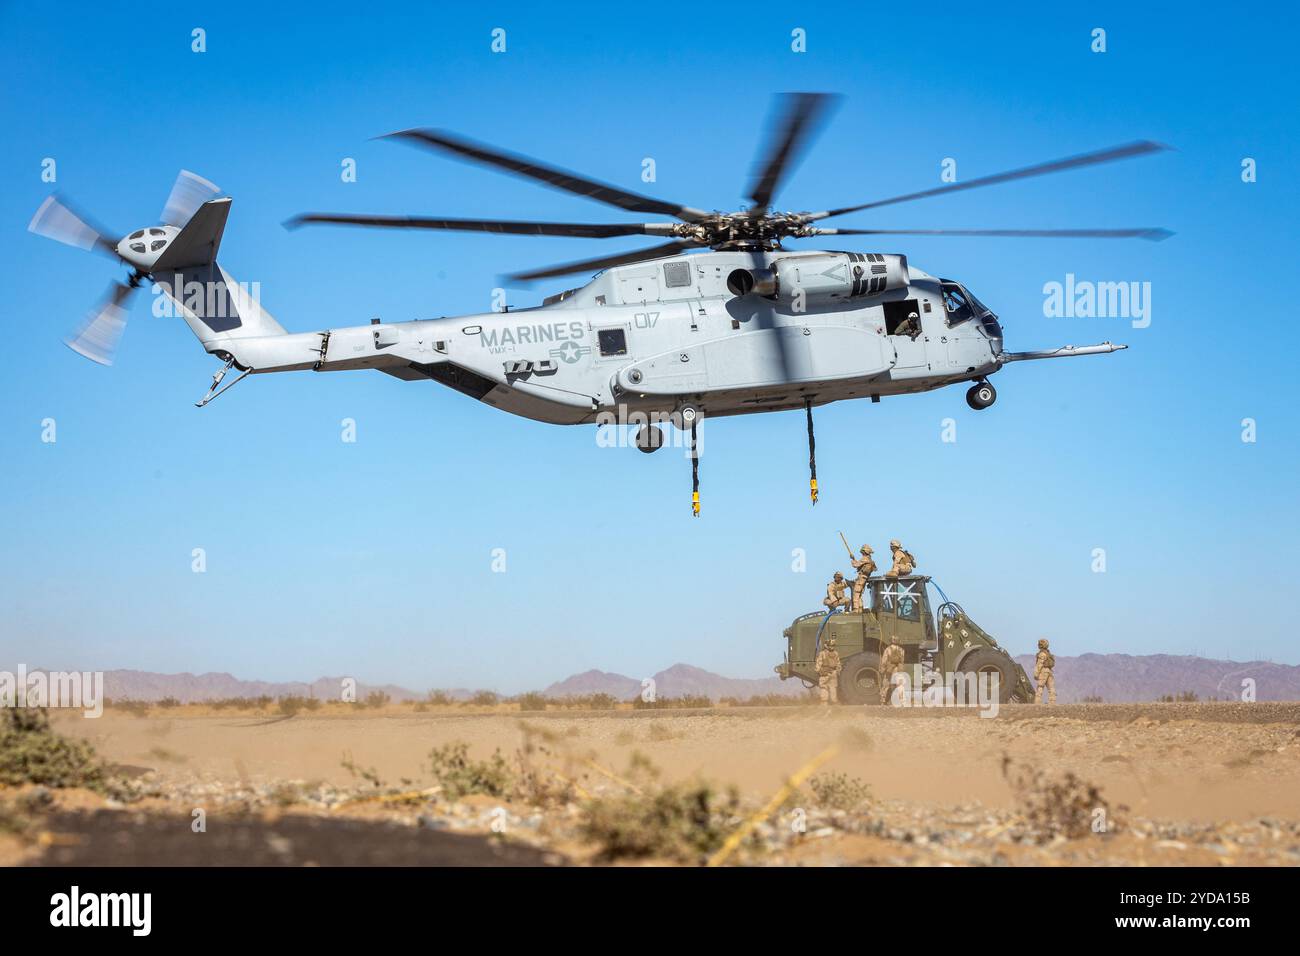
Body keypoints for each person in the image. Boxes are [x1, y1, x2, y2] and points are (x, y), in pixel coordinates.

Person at [815, 635, 842, 705]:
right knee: (833, 688)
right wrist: (838, 672)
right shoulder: (836, 653)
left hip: (824, 673)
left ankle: (824, 704)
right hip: (833, 673)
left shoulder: (822, 653)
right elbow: (838, 664)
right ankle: (834, 702)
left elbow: (818, 663)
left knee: (824, 687)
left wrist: (818, 671)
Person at [879, 636, 905, 704]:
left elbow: (884, 660)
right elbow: (902, 660)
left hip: (889, 668)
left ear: (891, 641)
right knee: (900, 685)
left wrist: (882, 668)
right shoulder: (901, 649)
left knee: (886, 685)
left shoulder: (888, 649)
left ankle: (883, 700)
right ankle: (901, 701)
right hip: (898, 668)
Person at [849, 545, 876, 612]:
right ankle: (860, 609)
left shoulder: (864, 558)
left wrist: (852, 560)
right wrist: (854, 559)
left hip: (861, 578)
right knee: (860, 594)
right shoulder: (870, 560)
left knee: (856, 593)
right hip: (865, 578)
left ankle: (855, 610)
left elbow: (856, 565)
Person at [1034, 638, 1057, 705]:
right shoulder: (1048, 653)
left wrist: (1036, 674)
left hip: (1043, 671)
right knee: (1051, 687)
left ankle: (1037, 702)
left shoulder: (1042, 654)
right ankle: (1052, 702)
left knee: (1040, 686)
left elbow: (1039, 665)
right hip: (1049, 671)